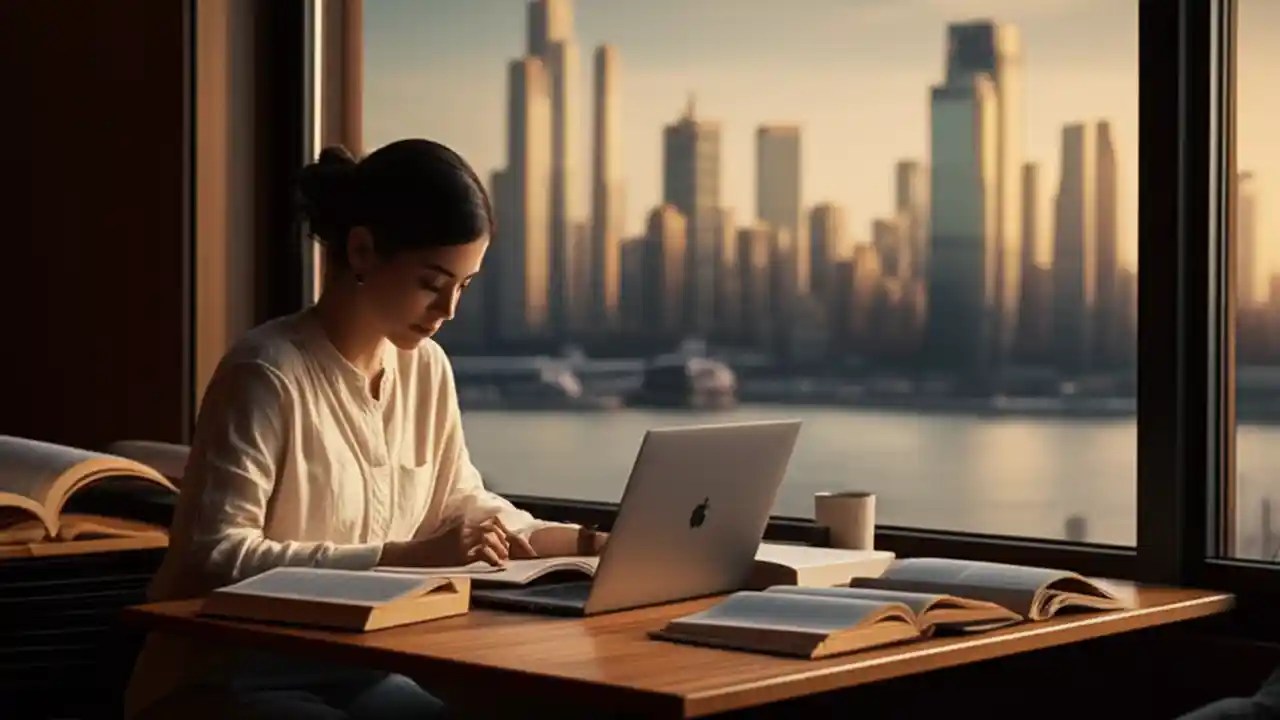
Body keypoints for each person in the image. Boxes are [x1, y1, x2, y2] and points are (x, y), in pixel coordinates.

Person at [125, 138, 608, 720]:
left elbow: (461, 505)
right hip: (226, 676)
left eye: (464, 286)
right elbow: (214, 556)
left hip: (358, 668)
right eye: (432, 283)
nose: (448, 309)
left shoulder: (425, 368)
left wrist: (589, 544)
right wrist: (407, 556)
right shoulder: (266, 372)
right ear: (362, 250)